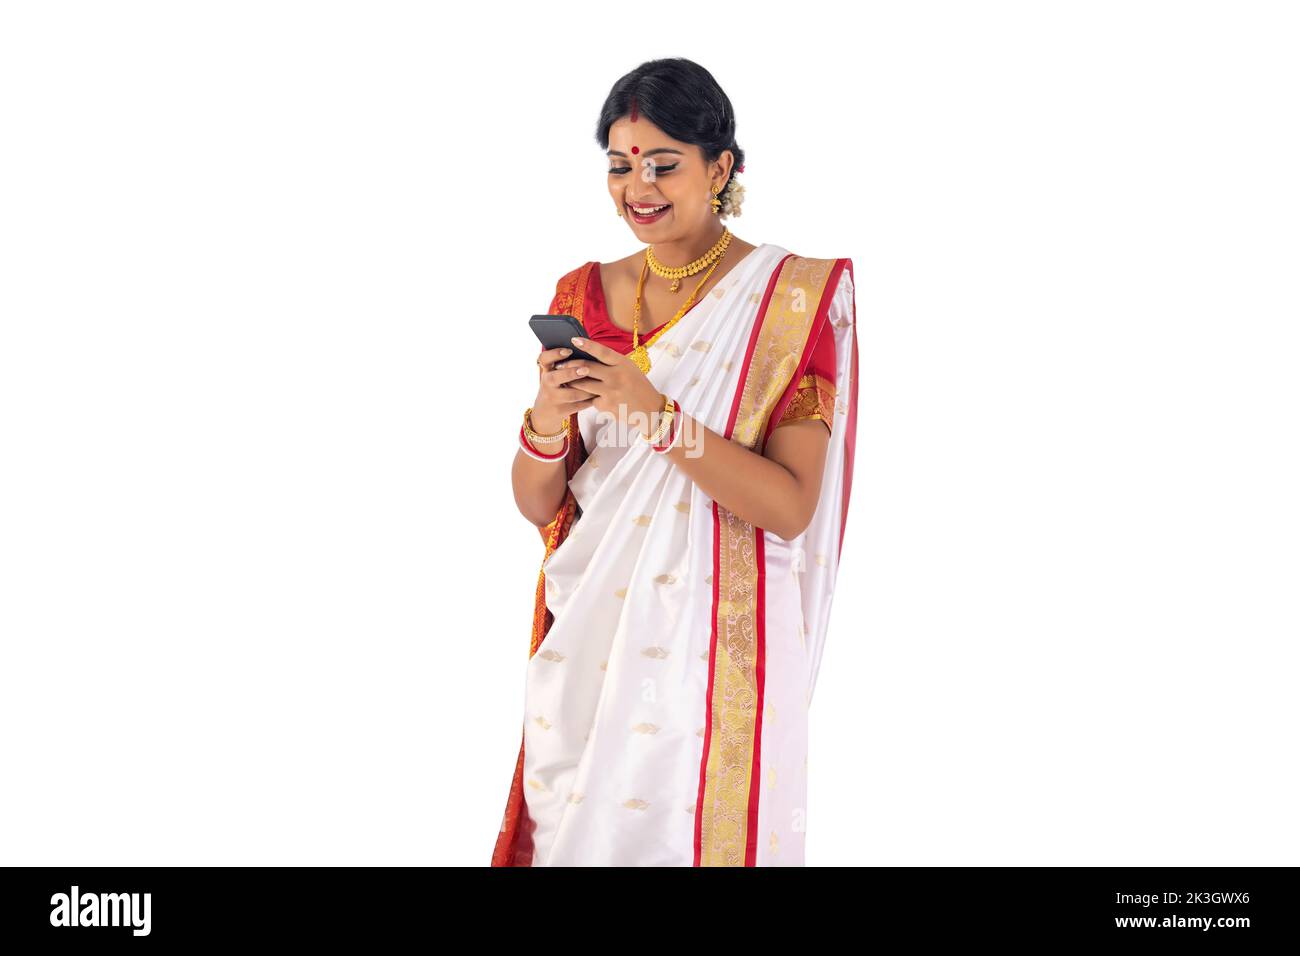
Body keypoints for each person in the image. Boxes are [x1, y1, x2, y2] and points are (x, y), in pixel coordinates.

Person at [493, 57, 858, 867]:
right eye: (620, 165)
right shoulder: (581, 292)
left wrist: (652, 412)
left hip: (713, 661)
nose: (639, 187)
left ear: (720, 167)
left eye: (664, 163)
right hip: (590, 640)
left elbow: (790, 506)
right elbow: (538, 504)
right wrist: (550, 418)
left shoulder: (786, 306)